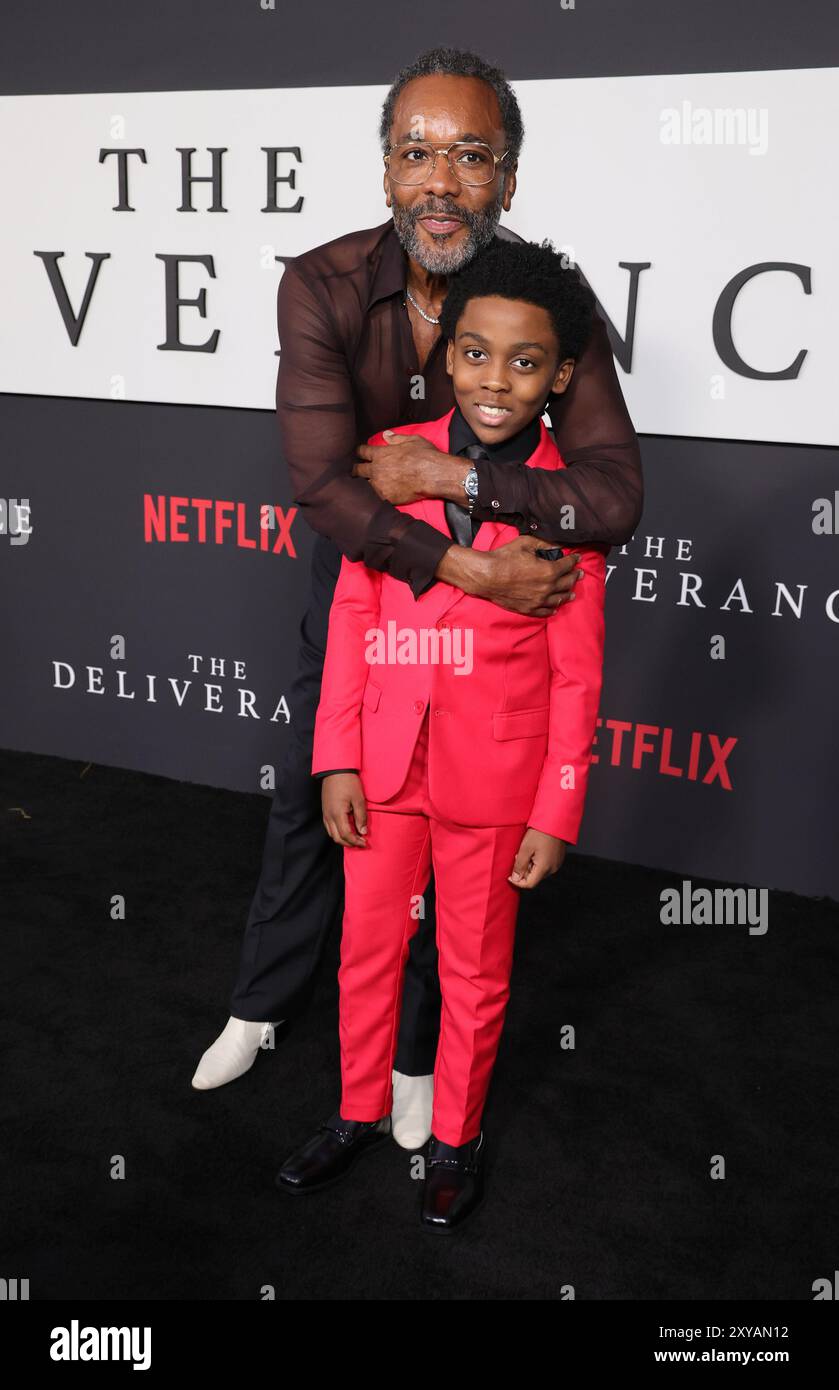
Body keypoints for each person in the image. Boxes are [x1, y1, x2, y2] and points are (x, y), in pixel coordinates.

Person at [191, 47, 641, 1150]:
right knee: (323, 793)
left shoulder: (551, 296)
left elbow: (611, 493)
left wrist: (460, 483)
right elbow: (320, 485)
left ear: (509, 177)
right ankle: (261, 1002)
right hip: (367, 574)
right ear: (386, 169)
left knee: (462, 859)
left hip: (497, 614)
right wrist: (457, 559)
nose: (439, 181)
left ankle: (415, 1065)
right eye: (415, 153)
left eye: (470, 156)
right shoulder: (325, 283)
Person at [275, 237, 606, 1231]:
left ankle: (455, 1139)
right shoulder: (391, 460)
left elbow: (577, 672)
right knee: (364, 948)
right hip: (381, 766)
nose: (492, 379)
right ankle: (355, 1111)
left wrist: (555, 806)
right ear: (448, 353)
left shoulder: (566, 501)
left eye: (521, 360)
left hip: (493, 787)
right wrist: (333, 754)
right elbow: (352, 617)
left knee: (471, 966)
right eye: (473, 352)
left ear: (558, 376)